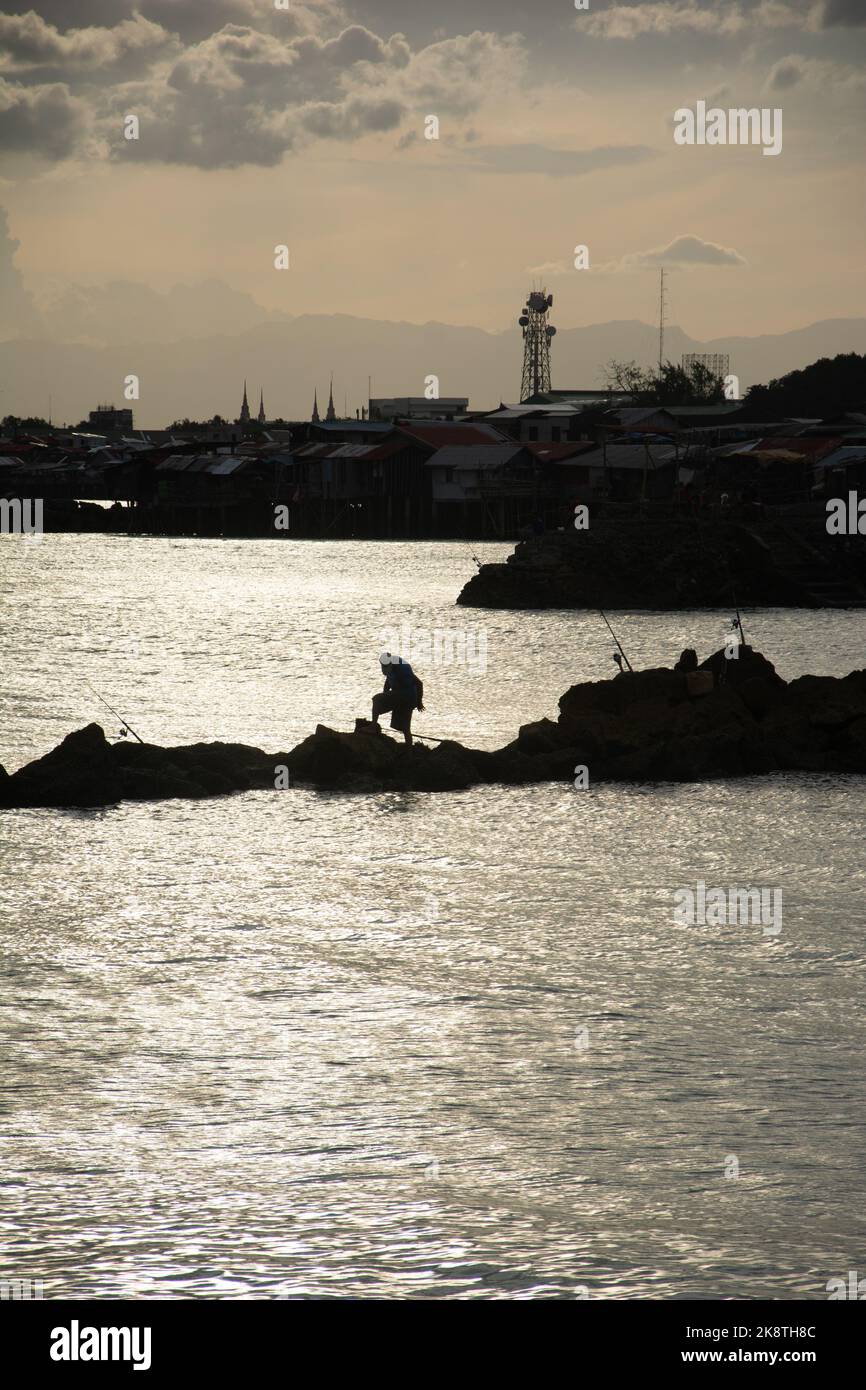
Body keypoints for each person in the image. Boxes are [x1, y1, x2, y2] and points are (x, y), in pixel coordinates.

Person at [371, 652, 424, 747]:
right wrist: (385, 694)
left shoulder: (403, 669)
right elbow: (388, 681)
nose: (383, 668)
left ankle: (373, 726)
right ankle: (409, 750)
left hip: (407, 697)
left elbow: (419, 683)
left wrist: (419, 702)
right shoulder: (392, 664)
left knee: (377, 699)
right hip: (401, 695)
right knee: (404, 727)